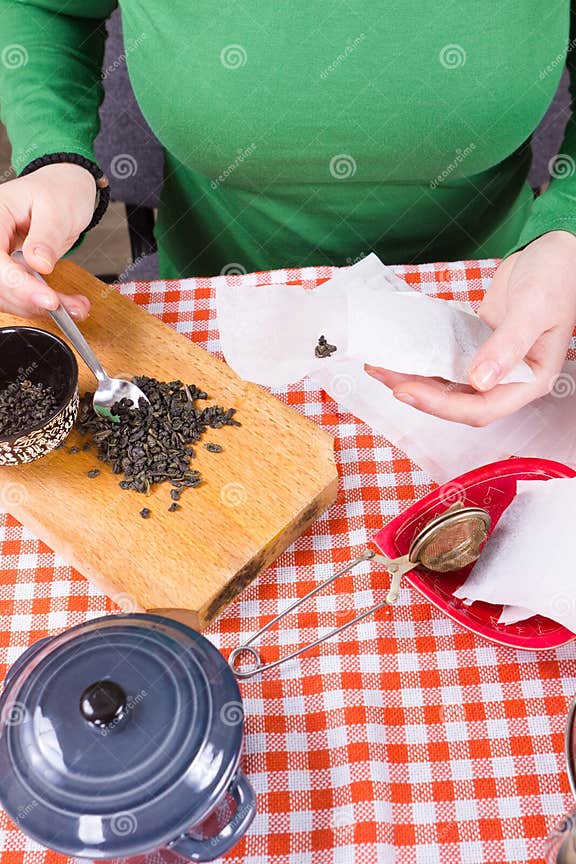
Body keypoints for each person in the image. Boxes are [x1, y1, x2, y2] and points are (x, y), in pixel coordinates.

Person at [0, 1, 575, 428]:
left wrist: (567, 227)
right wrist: (56, 155)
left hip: (497, 310)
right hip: (217, 316)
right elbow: (45, 7)